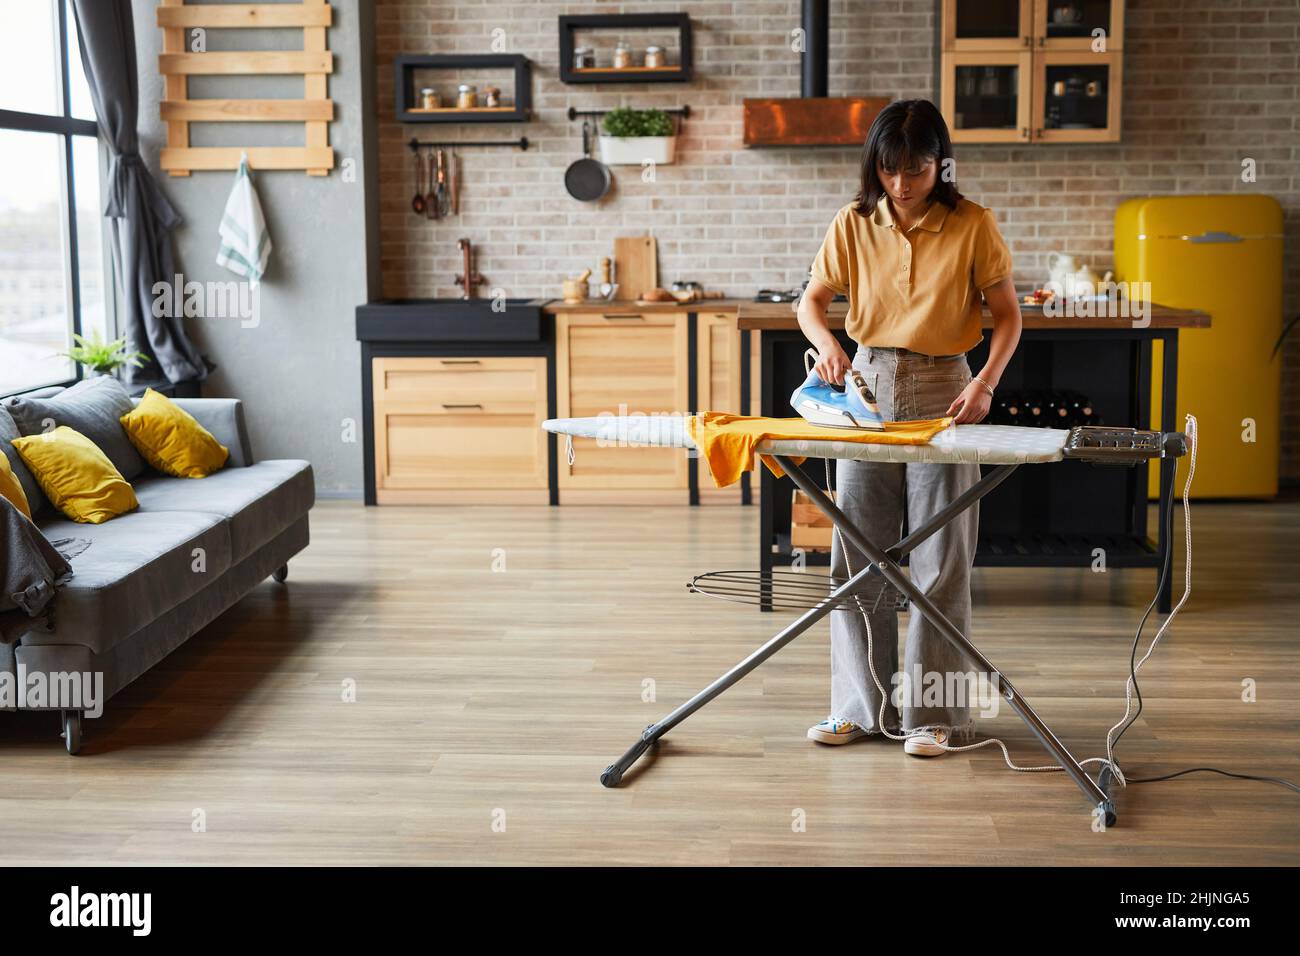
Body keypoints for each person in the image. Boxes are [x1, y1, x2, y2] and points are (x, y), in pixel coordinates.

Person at [798, 99, 1023, 757]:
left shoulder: (973, 224)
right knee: (856, 552)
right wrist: (828, 342)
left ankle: (934, 716)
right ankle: (859, 706)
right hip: (865, 387)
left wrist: (985, 383)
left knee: (941, 556)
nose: (902, 183)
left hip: (945, 387)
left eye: (917, 169)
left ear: (939, 164)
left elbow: (1007, 316)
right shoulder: (852, 222)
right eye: (890, 169)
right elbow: (811, 301)